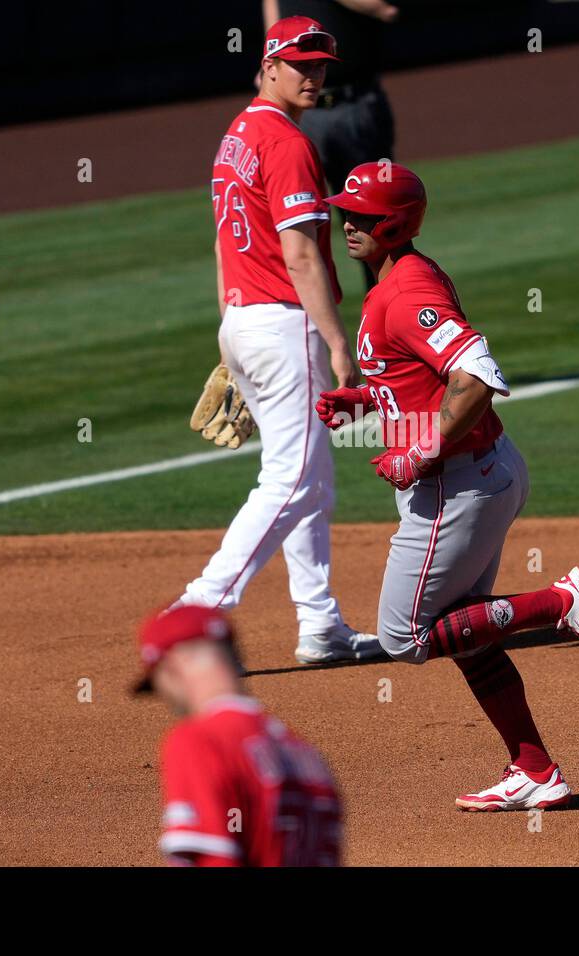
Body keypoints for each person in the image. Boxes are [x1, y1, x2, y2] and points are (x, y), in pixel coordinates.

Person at [315, 162, 579, 811]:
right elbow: (421, 375)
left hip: (457, 489)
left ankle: (562, 601)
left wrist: (421, 448)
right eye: (345, 212)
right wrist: (369, 402)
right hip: (484, 475)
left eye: (361, 216)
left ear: (394, 222)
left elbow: (478, 376)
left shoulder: (404, 292)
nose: (348, 225)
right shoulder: (401, 281)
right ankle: (536, 770)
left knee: (406, 637)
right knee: (466, 632)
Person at [176, 15, 383, 665]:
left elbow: (221, 243)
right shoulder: (286, 142)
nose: (314, 75)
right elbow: (299, 254)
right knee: (292, 480)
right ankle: (196, 612)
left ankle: (319, 622)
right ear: (268, 65)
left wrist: (228, 334)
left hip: (245, 320)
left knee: (314, 480)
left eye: (321, 65)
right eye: (301, 64)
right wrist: (338, 340)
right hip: (282, 323)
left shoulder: (236, 135)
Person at [134, 604, 343, 866]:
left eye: (157, 682)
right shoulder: (306, 757)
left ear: (175, 664)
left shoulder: (200, 741)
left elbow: (213, 859)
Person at [263, 0, 400, 289]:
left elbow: (386, 8)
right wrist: (269, 60)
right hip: (300, 112)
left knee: (374, 223)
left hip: (354, 102)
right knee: (292, 226)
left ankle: (387, 322)